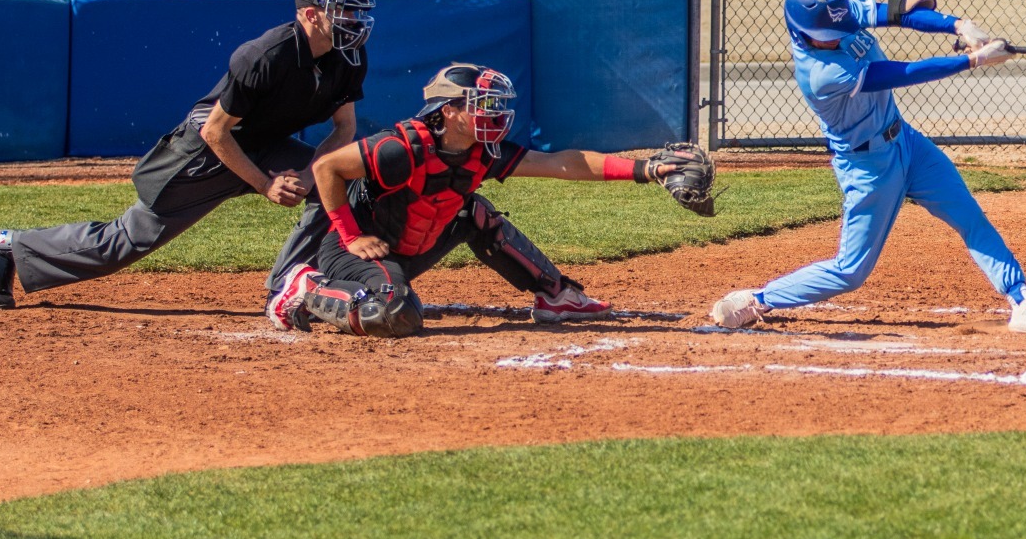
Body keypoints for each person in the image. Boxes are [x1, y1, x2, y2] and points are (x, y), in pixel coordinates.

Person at [0, 0, 376, 308]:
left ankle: (289, 285)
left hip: (264, 144)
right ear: (309, 14)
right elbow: (214, 131)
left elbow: (344, 128)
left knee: (337, 181)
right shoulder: (264, 56)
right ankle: (4, 247)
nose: (354, 20)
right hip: (207, 152)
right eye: (343, 11)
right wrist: (264, 183)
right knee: (125, 242)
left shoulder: (349, 56)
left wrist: (309, 173)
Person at [709, 0, 1026, 334]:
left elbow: (900, 11)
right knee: (850, 271)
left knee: (970, 217)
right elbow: (899, 73)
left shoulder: (836, 17)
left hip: (907, 142)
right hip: (868, 168)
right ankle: (758, 298)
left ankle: (1022, 302)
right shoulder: (820, 73)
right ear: (804, 31)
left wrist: (958, 25)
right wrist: (973, 60)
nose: (839, 34)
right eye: (831, 33)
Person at [269, 63, 715, 335]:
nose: (494, 114)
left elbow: (563, 163)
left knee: (472, 211)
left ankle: (555, 294)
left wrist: (645, 169)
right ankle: (304, 288)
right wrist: (350, 236)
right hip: (358, 250)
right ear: (449, 111)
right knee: (396, 313)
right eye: (482, 105)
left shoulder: (485, 151)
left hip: (411, 247)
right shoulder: (404, 146)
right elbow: (327, 169)